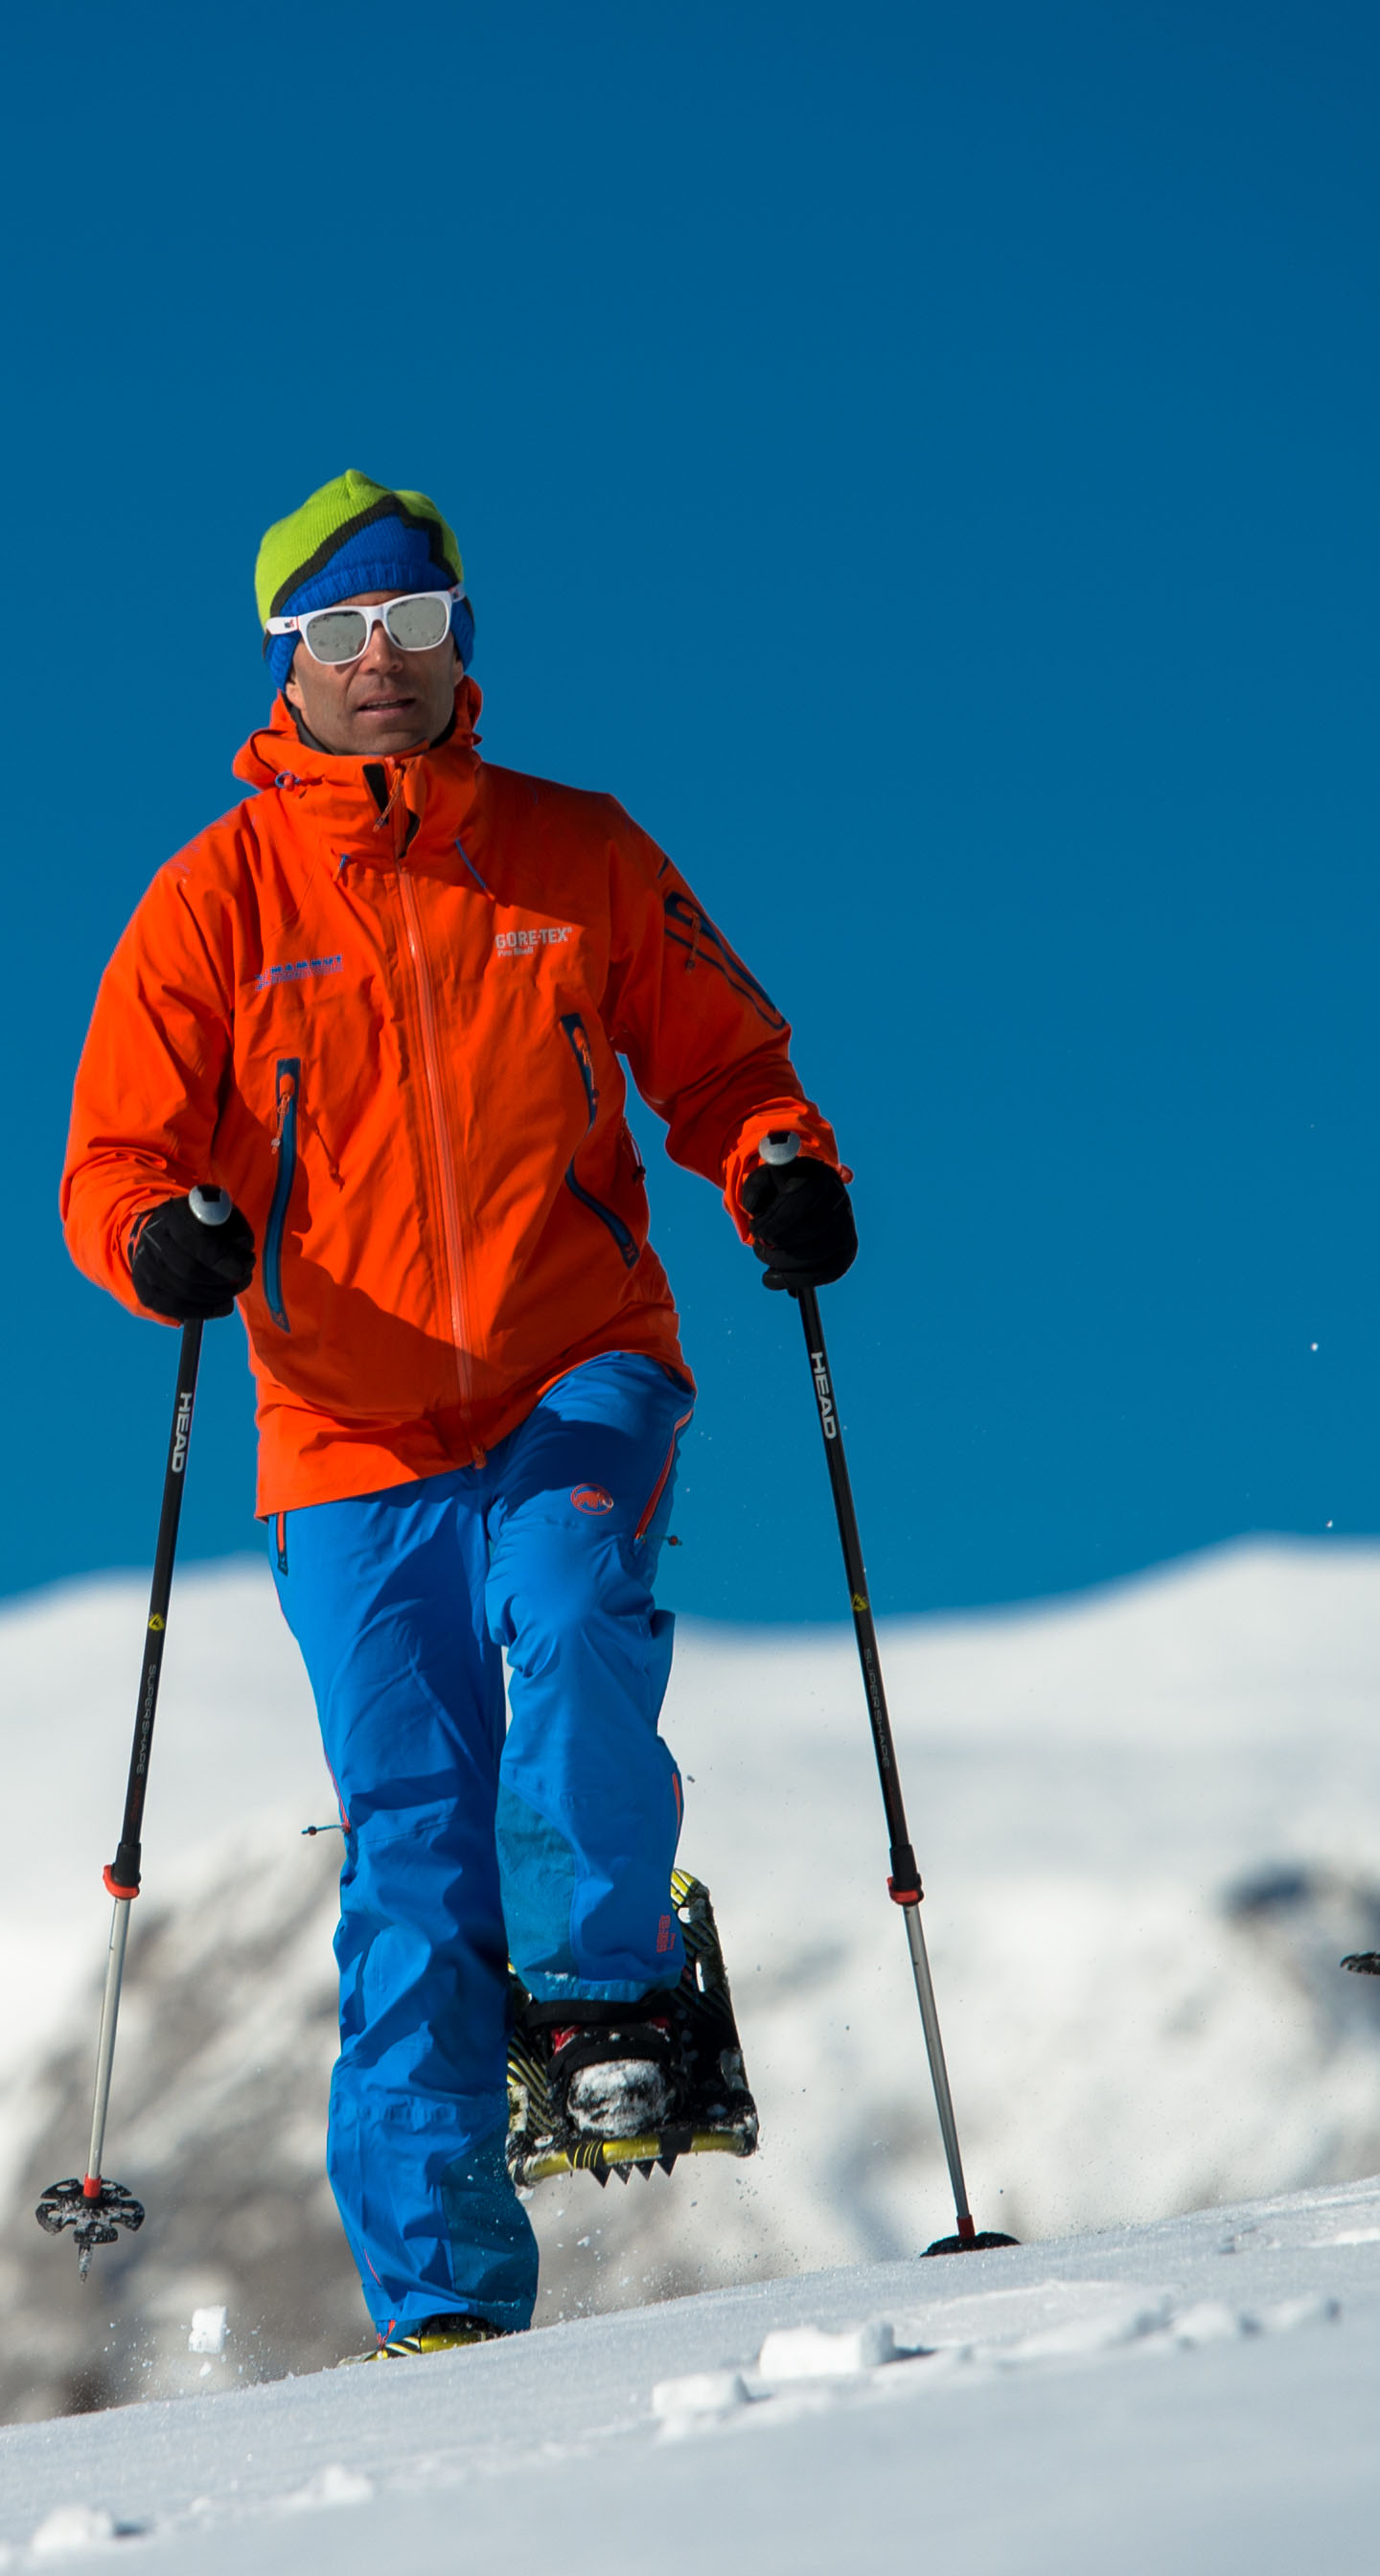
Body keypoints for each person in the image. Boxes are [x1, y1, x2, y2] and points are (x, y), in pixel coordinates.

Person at [60, 471, 856, 2356]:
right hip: (344, 1435)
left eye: (413, 624)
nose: (382, 665)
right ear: (287, 664)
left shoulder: (576, 853)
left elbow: (723, 1052)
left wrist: (774, 1161)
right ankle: (442, 2310)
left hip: (572, 1354)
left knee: (571, 1611)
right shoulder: (214, 902)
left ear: (461, 634)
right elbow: (117, 1153)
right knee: (408, 1829)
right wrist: (159, 1239)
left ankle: (603, 1997)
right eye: (340, 636)